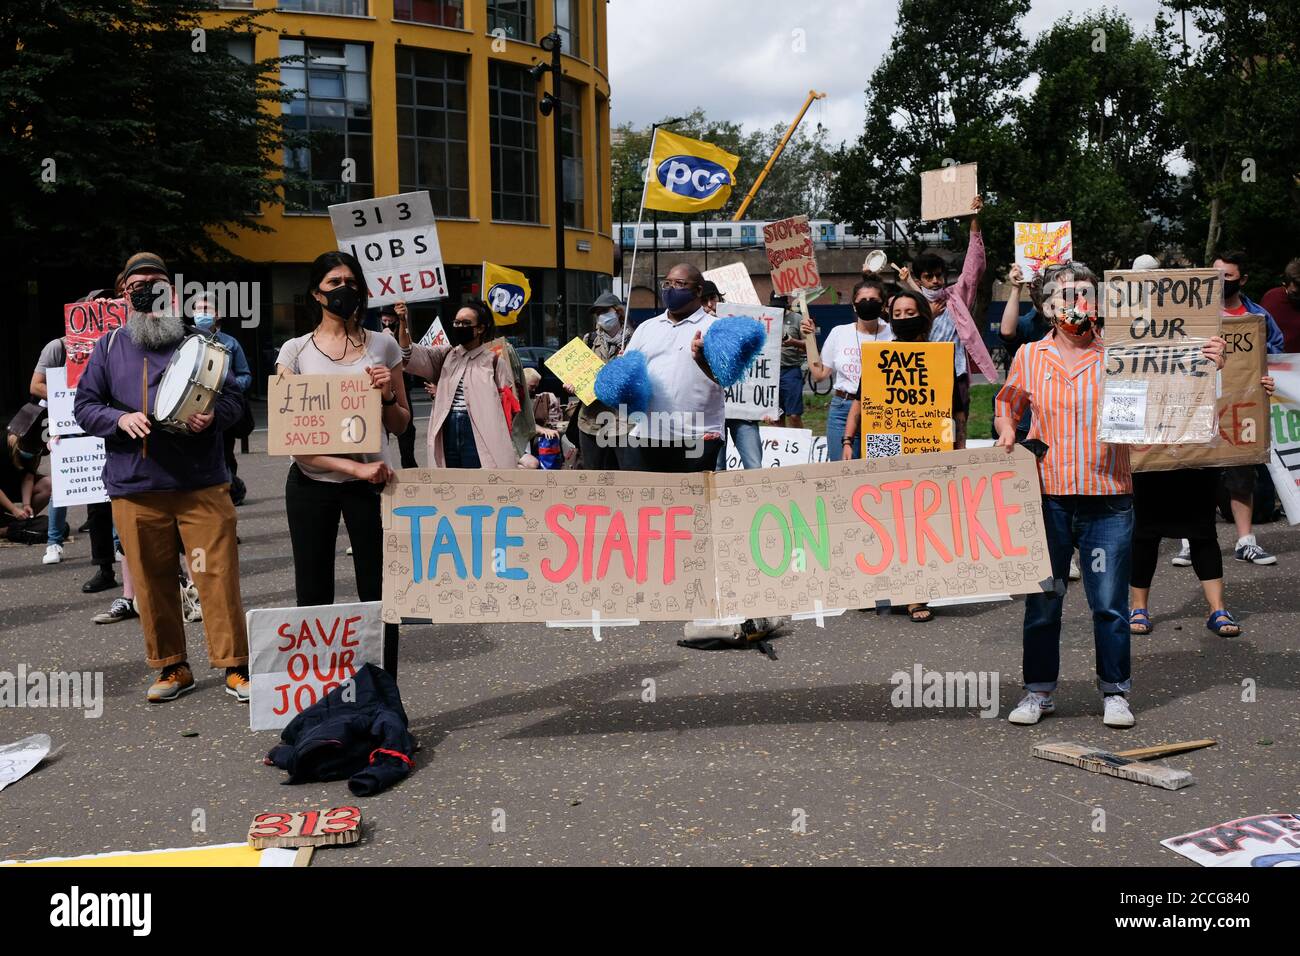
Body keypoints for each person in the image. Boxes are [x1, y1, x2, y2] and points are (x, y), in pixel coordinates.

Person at [994, 261, 1227, 729]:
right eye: (1065, 296)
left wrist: (1208, 362)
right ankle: (1038, 691)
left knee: (1109, 604)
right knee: (1043, 602)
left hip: (1109, 499)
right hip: (1048, 500)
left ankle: (1115, 691)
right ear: (1046, 306)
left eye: (1086, 294)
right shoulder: (1030, 356)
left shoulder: (1124, 354)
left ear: (1100, 304)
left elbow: (1175, 391)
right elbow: (1007, 403)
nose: (1076, 304)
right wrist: (1005, 432)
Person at [73, 251, 251, 703]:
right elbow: (84, 406)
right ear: (124, 293)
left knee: (216, 575)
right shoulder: (109, 347)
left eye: (157, 282)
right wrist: (118, 420)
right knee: (152, 583)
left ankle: (234, 666)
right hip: (136, 487)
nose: (148, 289)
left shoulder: (202, 343)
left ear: (173, 293)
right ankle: (172, 667)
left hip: (201, 484)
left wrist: (212, 417)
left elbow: (235, 402)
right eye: (139, 283)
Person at [276, 252, 410, 676]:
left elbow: (401, 423)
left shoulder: (384, 344)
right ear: (316, 293)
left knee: (380, 594)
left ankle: (384, 691)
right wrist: (356, 469)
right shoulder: (294, 352)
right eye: (334, 282)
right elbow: (292, 441)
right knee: (313, 594)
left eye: (351, 280)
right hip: (313, 485)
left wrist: (387, 394)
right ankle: (320, 696)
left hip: (374, 485)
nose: (344, 289)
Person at [842, 289, 951, 624]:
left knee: (921, 521)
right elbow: (860, 403)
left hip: (928, 442)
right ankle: (880, 586)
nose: (903, 318)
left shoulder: (940, 357)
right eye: (898, 313)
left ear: (924, 315)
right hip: (886, 440)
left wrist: (957, 448)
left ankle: (916, 594)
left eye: (910, 312)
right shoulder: (880, 356)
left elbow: (956, 409)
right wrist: (849, 442)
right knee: (884, 517)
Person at [1196, 251, 1284, 567]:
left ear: (1242, 280)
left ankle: (1246, 541)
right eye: (1215, 275)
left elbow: (1274, 358)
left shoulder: (1258, 317)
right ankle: (1189, 541)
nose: (1220, 283)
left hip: (1240, 408)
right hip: (1202, 406)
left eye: (1227, 277)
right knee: (1196, 472)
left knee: (1241, 473)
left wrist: (1272, 379)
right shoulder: (1195, 314)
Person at [897, 196, 998, 446]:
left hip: (957, 372)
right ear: (920, 279)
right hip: (922, 374)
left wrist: (974, 220)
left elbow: (974, 266)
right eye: (929, 277)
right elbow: (901, 336)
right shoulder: (912, 302)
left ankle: (958, 460)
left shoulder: (956, 296)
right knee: (928, 428)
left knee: (958, 422)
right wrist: (927, 314)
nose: (935, 281)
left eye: (939, 276)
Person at [619, 264, 727, 471]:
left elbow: (729, 380)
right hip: (646, 433)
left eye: (679, 284)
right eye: (667, 283)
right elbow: (631, 375)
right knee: (643, 500)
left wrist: (702, 360)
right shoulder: (646, 328)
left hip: (697, 435)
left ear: (698, 291)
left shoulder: (715, 328)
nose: (670, 288)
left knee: (690, 502)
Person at [404, 300, 524, 469]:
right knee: (451, 484)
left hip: (479, 432)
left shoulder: (495, 362)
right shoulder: (445, 355)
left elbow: (508, 406)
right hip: (448, 429)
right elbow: (409, 354)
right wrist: (403, 321)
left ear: (480, 328)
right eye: (457, 322)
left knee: (477, 484)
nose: (459, 326)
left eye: (466, 323)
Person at [800, 277, 892, 460]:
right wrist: (808, 339)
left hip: (882, 410)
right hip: (843, 409)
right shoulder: (839, 333)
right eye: (863, 300)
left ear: (883, 305)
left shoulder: (893, 332)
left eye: (874, 300)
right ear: (854, 305)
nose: (868, 304)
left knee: (881, 469)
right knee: (842, 468)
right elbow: (819, 374)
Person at [192, 295, 253, 505]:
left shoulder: (231, 343)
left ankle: (228, 497)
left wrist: (230, 386)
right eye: (198, 309)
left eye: (206, 308)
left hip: (222, 410)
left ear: (218, 314)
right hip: (193, 409)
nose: (201, 313)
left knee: (225, 455)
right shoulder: (186, 340)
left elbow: (245, 374)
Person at [700, 280, 764, 471]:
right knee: (716, 468)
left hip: (743, 411)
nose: (710, 305)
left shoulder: (738, 324)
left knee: (754, 466)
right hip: (712, 413)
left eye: (712, 298)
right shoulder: (692, 329)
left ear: (720, 298)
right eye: (704, 301)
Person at [566, 292, 628, 470]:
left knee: (624, 476)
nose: (601, 316)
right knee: (593, 475)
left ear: (618, 312)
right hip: (591, 421)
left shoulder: (634, 339)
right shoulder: (589, 339)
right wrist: (573, 384)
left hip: (623, 422)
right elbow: (579, 373)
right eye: (598, 312)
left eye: (605, 310)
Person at [382, 303, 420, 468]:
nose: (387, 324)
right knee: (380, 437)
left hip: (401, 391)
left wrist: (392, 341)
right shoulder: (373, 335)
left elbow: (405, 355)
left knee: (406, 434)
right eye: (385, 321)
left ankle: (409, 469)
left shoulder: (402, 335)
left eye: (391, 321)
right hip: (380, 394)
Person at [2, 427, 50, 527]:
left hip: (13, 485)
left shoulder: (34, 448)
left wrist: (26, 505)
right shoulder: (2, 445)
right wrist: (13, 509)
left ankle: (21, 522)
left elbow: (28, 477)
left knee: (47, 484)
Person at [775, 296, 806, 429]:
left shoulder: (797, 319)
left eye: (780, 307)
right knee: (776, 416)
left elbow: (809, 344)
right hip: (771, 372)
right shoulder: (767, 317)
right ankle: (779, 447)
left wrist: (793, 341)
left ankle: (799, 444)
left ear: (786, 305)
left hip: (790, 369)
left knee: (793, 415)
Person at [1260, 257, 1300, 353]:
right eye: (1295, 293)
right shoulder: (1272, 299)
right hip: (1277, 361)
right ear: (1285, 284)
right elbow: (1259, 334)